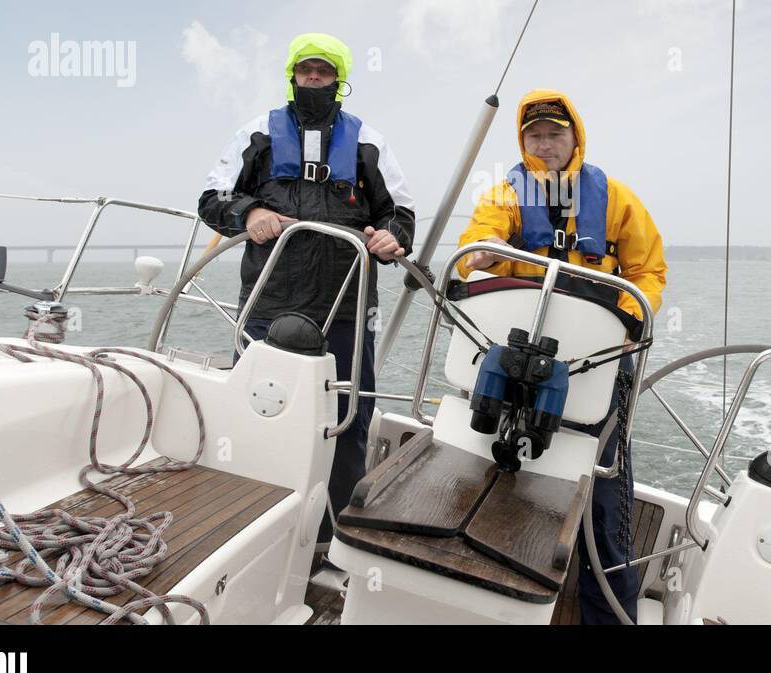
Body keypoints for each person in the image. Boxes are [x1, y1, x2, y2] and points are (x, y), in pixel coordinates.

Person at [198, 32, 415, 556]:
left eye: (323, 71)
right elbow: (212, 199)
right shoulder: (257, 134)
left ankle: (331, 537)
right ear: (292, 75)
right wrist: (247, 213)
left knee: (347, 420)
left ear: (339, 80)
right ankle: (245, 525)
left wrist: (393, 237)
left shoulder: (369, 142)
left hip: (346, 303)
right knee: (257, 409)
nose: (313, 78)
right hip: (268, 302)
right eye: (305, 70)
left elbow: (399, 212)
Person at [456, 88, 666, 624]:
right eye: (535, 135)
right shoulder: (505, 194)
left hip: (596, 358)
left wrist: (629, 321)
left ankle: (609, 614)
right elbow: (477, 244)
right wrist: (479, 252)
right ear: (523, 141)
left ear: (575, 136)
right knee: (484, 466)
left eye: (555, 133)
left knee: (606, 496)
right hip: (516, 350)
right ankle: (478, 595)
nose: (545, 144)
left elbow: (648, 271)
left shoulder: (616, 197)